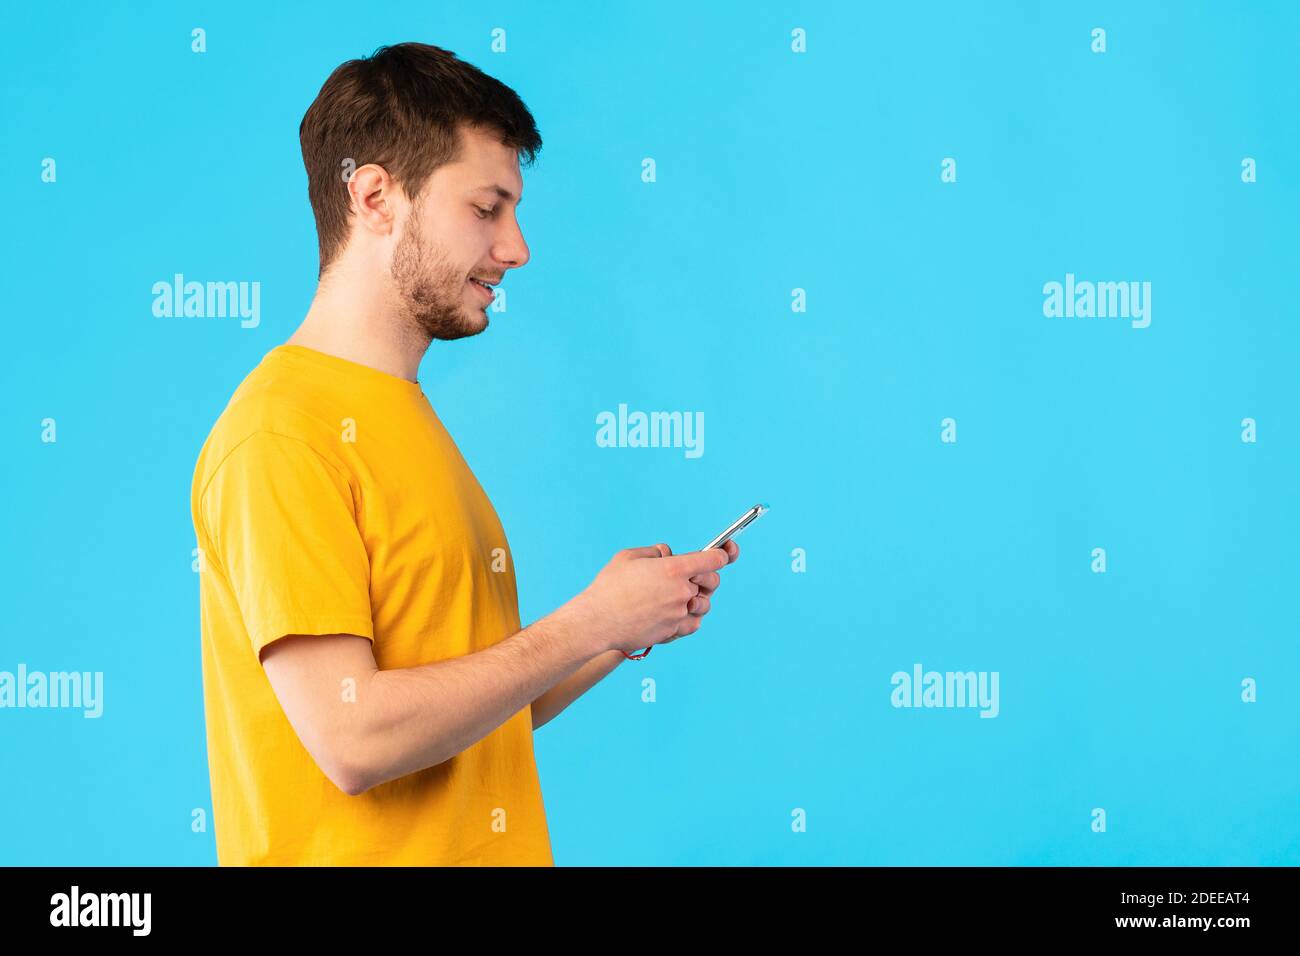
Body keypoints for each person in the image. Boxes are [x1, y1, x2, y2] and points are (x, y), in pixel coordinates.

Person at [188, 42, 738, 866]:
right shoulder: (282, 432)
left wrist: (616, 628)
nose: (517, 248)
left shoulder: (400, 417)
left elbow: (471, 711)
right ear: (376, 197)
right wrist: (587, 621)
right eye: (488, 208)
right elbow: (356, 738)